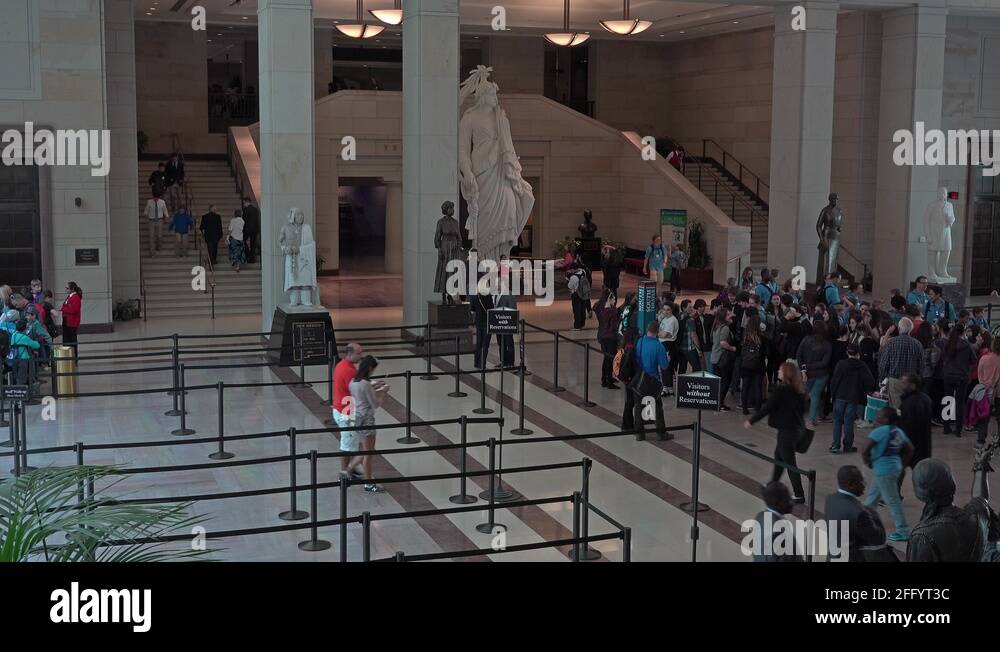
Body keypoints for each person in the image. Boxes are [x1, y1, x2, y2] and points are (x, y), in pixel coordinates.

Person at [745, 361, 809, 503]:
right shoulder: (799, 391)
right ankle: (772, 484)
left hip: (786, 431)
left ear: (786, 373)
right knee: (779, 457)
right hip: (794, 430)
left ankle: (799, 494)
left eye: (780, 370)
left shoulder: (781, 390)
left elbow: (767, 408)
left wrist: (751, 420)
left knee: (789, 463)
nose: (778, 372)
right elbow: (803, 410)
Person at [906, 458, 992, 562]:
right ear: (953, 483)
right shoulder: (977, 515)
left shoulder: (921, 536)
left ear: (920, 494)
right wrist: (981, 465)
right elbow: (981, 498)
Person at [824, 465, 896, 562]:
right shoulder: (859, 513)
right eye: (861, 481)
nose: (865, 484)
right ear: (851, 484)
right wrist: (873, 514)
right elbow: (878, 538)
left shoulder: (830, 500)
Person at [861, 408, 913, 542]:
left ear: (886, 419)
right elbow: (910, 449)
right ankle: (862, 522)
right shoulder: (898, 431)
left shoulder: (879, 431)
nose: (877, 415)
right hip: (894, 468)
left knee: (892, 500)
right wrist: (901, 464)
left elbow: (865, 449)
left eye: (880, 414)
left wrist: (869, 463)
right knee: (872, 497)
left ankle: (902, 531)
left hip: (883, 470)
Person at [349, 355, 390, 493]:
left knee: (366, 449)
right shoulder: (366, 384)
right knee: (369, 453)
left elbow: (363, 391)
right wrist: (383, 392)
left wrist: (375, 387)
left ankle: (348, 470)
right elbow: (375, 404)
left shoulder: (353, 382)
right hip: (367, 419)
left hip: (356, 417)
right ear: (370, 368)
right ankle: (368, 483)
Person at [829, 343, 874, 453]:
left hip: (839, 396)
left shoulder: (841, 364)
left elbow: (834, 381)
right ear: (858, 353)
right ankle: (848, 446)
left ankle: (835, 445)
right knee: (849, 422)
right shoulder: (862, 366)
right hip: (853, 397)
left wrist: (832, 394)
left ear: (847, 352)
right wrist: (862, 391)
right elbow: (870, 381)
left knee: (837, 421)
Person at [332, 342, 366, 479]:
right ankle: (345, 472)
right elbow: (358, 390)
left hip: (343, 407)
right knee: (347, 444)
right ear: (350, 353)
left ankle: (352, 468)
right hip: (347, 411)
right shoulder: (349, 370)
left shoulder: (342, 365)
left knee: (352, 441)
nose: (361, 356)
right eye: (359, 353)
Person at [632, 321, 669, 440]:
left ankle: (639, 433)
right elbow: (664, 366)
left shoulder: (640, 341)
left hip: (640, 379)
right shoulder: (659, 346)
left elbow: (637, 359)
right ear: (658, 331)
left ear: (647, 329)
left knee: (638, 406)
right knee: (657, 407)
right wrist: (667, 358)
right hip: (653, 380)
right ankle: (661, 433)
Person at [750, 482, 804, 562]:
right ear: (778, 502)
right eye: (787, 498)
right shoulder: (777, 532)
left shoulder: (760, 517)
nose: (791, 502)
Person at [878, 317, 924, 409]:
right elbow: (921, 366)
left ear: (899, 328)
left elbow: (884, 364)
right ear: (911, 329)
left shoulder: (891, 343)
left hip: (895, 381)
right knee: (909, 409)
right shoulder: (918, 344)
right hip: (911, 382)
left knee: (896, 409)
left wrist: (882, 379)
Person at [896, 375, 933, 492]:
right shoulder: (926, 399)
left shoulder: (909, 403)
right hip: (924, 444)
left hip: (909, 444)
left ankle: (893, 493)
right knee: (921, 473)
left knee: (899, 469)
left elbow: (908, 426)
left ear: (912, 385)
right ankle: (929, 494)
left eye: (904, 383)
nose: (901, 385)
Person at [941, 322, 976, 435]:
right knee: (960, 402)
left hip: (948, 375)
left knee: (948, 400)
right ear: (963, 332)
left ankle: (946, 427)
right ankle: (958, 429)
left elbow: (943, 358)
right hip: (962, 376)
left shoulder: (948, 343)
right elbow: (973, 360)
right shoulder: (967, 345)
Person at [796, 320, 832, 426]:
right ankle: (813, 418)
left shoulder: (806, 339)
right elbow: (825, 362)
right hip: (822, 374)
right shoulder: (827, 344)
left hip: (807, 374)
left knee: (805, 394)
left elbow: (799, 355)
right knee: (816, 395)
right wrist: (808, 366)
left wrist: (803, 369)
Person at [975, 336, 1000, 447]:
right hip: (999, 393)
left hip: (985, 392)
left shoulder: (984, 359)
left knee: (983, 418)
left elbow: (980, 376)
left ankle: (980, 441)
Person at [711, 305, 737, 410]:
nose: (731, 315)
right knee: (726, 381)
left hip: (715, 357)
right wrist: (732, 348)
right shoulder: (725, 328)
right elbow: (723, 343)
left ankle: (717, 402)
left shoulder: (716, 327)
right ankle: (720, 403)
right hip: (723, 358)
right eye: (728, 314)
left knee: (720, 381)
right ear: (724, 317)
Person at [739, 313, 766, 415]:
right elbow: (766, 352)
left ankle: (745, 408)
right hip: (759, 365)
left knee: (745, 387)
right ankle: (758, 409)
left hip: (746, 364)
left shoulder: (745, 336)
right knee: (757, 387)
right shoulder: (762, 337)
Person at [595, 289, 620, 389]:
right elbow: (613, 326)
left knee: (606, 358)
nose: (615, 301)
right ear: (609, 299)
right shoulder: (612, 311)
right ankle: (609, 380)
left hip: (601, 335)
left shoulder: (599, 308)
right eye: (613, 299)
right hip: (609, 337)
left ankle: (604, 378)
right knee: (610, 359)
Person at [5, 319, 40, 385]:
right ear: (24, 328)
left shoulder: (13, 335)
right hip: (23, 358)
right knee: (22, 376)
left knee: (16, 375)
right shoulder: (25, 338)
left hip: (14, 358)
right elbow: (36, 345)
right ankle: (20, 391)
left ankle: (15, 390)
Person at [618, 328, 639, 431]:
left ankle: (628, 423)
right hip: (632, 379)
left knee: (629, 402)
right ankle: (627, 425)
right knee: (631, 402)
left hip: (627, 379)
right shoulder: (632, 350)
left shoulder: (624, 347)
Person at [656, 302, 679, 397]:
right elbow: (661, 332)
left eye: (668, 310)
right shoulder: (665, 319)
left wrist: (657, 332)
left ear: (672, 310)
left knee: (665, 366)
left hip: (667, 345)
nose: (665, 311)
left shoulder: (672, 320)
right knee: (666, 367)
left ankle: (666, 387)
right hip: (662, 344)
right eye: (664, 309)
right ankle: (668, 387)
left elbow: (665, 335)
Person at [470, 279, 494, 370]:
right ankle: (482, 365)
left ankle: (476, 363)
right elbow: (491, 309)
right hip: (487, 322)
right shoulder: (487, 296)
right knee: (485, 344)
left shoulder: (474, 296)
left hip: (478, 322)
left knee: (479, 343)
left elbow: (472, 310)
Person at [56, 282, 82, 354]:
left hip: (71, 322)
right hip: (67, 321)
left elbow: (74, 310)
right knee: (66, 339)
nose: (66, 290)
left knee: (71, 340)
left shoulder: (76, 297)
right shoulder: (70, 296)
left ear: (72, 289)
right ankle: (67, 355)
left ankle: (73, 357)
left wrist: (63, 309)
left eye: (67, 288)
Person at [567, 265, 590, 330]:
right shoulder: (583, 271)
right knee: (582, 309)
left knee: (576, 310)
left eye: (570, 269)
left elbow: (569, 286)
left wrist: (568, 279)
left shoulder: (573, 277)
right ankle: (582, 324)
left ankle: (577, 325)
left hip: (576, 294)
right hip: (583, 293)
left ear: (573, 269)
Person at [241, 197, 261, 265]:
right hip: (255, 229)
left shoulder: (246, 209)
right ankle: (252, 258)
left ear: (247, 202)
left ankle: (248, 254)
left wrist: (242, 228)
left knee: (243, 241)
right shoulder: (256, 209)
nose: (244, 204)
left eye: (244, 203)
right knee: (253, 243)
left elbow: (244, 220)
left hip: (247, 229)